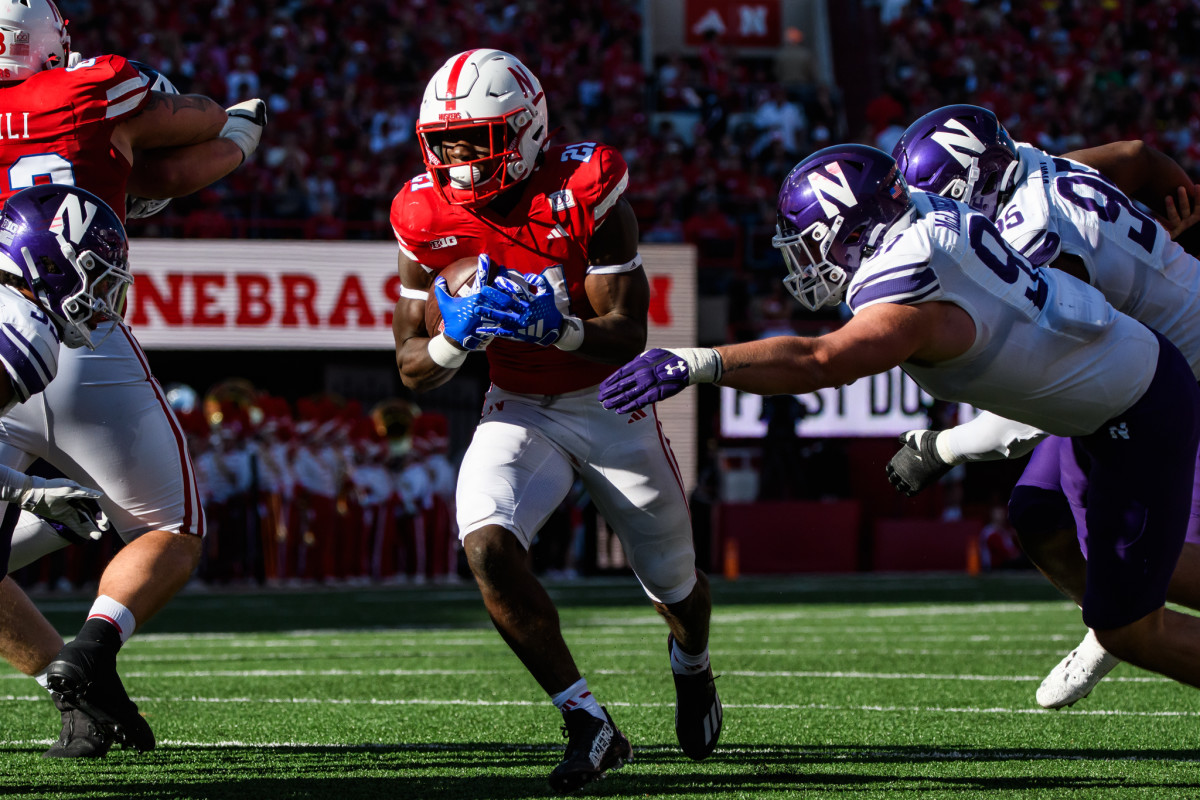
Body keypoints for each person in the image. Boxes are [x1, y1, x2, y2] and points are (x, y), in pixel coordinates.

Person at [600, 145, 1200, 708]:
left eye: (809, 244)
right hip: (1107, 381)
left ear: (853, 233)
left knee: (1132, 630)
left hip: (1134, 410)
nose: (803, 260)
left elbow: (821, 360)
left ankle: (1119, 614)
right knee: (1041, 515)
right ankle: (1113, 602)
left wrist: (702, 362)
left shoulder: (909, 295)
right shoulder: (930, 210)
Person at [390, 48, 721, 793]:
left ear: (527, 128)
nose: (460, 161)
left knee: (673, 582)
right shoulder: (423, 212)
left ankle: (692, 663)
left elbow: (627, 331)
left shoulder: (585, 187)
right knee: (485, 543)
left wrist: (558, 328)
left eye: (476, 140)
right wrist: (454, 336)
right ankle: (587, 721)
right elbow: (412, 367)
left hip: (611, 401)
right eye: (446, 144)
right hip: (518, 407)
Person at [0, 0, 268, 759]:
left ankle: (71, 690)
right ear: (48, 38)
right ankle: (90, 652)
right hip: (74, 326)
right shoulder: (90, 84)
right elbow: (192, 141)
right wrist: (242, 136)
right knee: (168, 529)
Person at [883, 104, 1200, 709]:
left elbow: (1055, 387)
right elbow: (1135, 156)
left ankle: (1125, 617)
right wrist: (1179, 209)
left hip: (1175, 382)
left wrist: (941, 448)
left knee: (1153, 558)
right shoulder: (1030, 169)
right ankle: (1111, 615)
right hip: (1142, 371)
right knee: (1037, 513)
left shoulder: (1036, 237)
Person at [0, 183, 138, 743]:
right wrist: (30, 495)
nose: (105, 297)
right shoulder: (24, 334)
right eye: (96, 275)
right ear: (52, 263)